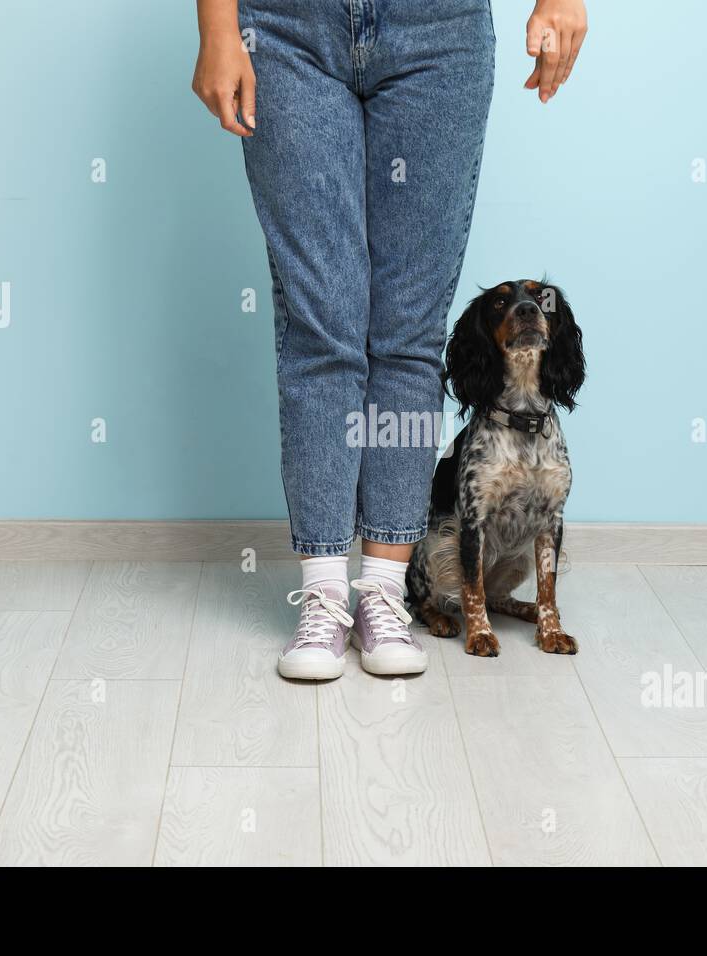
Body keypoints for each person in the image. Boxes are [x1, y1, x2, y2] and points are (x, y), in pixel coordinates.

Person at [192, 0, 588, 680]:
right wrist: (217, 27)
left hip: (439, 28)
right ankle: (323, 594)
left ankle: (380, 589)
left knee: (407, 330)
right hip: (285, 28)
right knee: (322, 322)